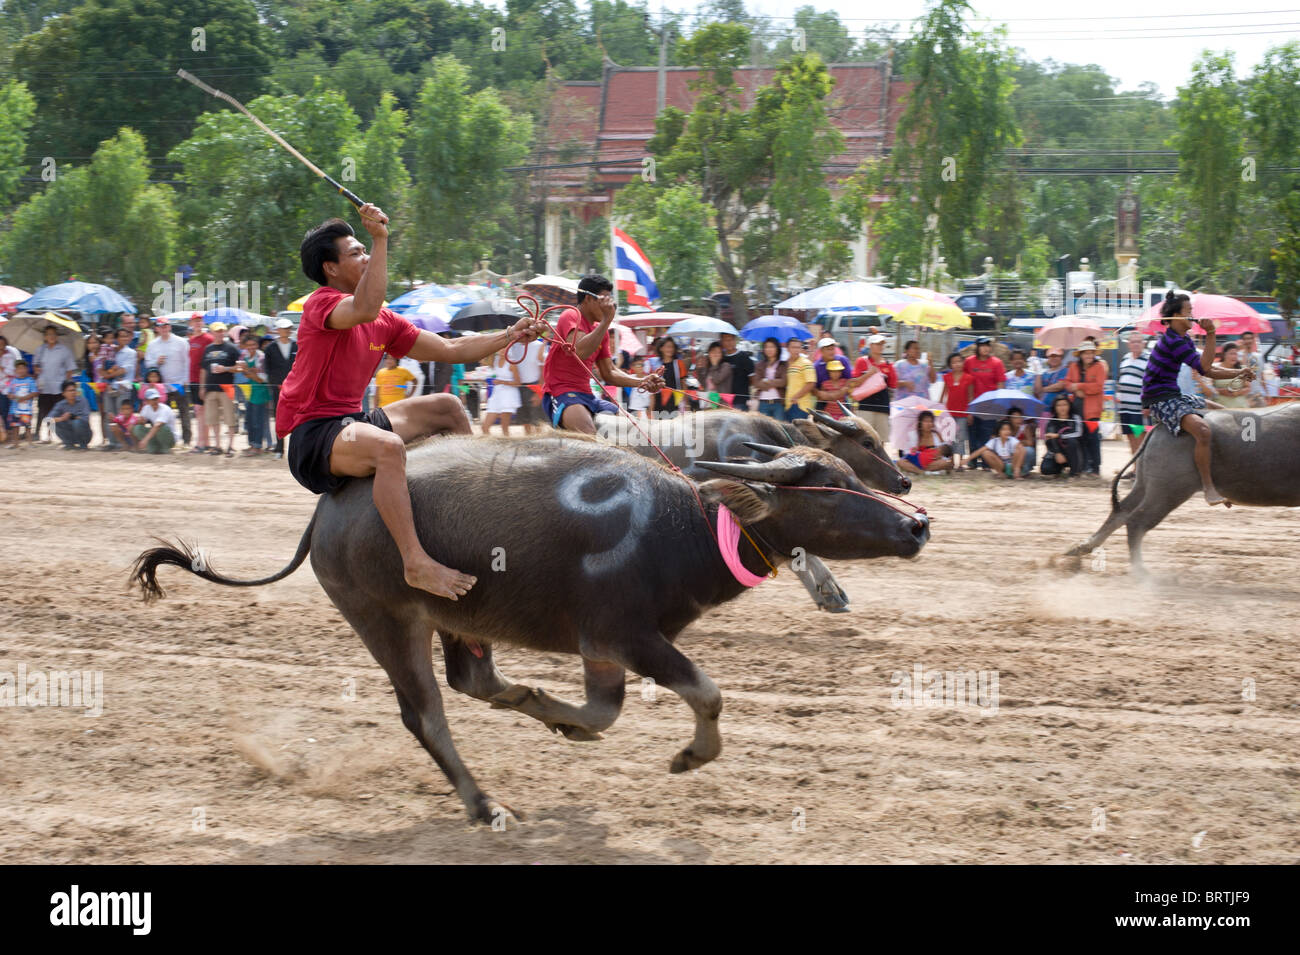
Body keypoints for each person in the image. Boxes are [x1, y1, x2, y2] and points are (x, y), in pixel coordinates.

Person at [279, 208, 544, 599]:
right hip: (314, 435)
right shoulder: (322, 304)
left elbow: (450, 348)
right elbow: (365, 307)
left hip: (352, 420)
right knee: (388, 448)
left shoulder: (384, 320)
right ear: (330, 268)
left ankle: (474, 511)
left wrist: (510, 334)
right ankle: (414, 562)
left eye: (363, 250)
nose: (365, 256)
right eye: (355, 253)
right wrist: (381, 238)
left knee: (449, 407)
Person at [1141, 289, 1253, 507]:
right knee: (1203, 430)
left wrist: (1238, 372)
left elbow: (1208, 371)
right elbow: (1204, 366)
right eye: (1188, 311)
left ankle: (1222, 479)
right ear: (1175, 316)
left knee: (1223, 412)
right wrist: (1211, 333)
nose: (1193, 314)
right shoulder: (1173, 341)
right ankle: (1208, 487)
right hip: (1158, 398)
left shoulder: (1183, 340)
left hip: (1173, 394)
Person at [541, 273, 663, 434]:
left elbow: (609, 372)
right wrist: (606, 321)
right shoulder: (570, 315)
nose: (609, 304)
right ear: (588, 299)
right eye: (604, 299)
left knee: (633, 431)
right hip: (561, 393)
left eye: (610, 300)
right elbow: (580, 351)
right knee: (589, 434)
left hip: (588, 396)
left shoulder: (601, 331)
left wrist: (641, 381)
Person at [145, 316, 192, 445]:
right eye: (161, 326)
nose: (164, 329)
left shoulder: (181, 342)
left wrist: (185, 380)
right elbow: (148, 364)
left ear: (170, 327)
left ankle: (187, 441)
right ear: (156, 329)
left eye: (166, 326)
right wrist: (156, 362)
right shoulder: (152, 344)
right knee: (163, 414)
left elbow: (187, 362)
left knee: (184, 413)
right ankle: (166, 440)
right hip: (161, 386)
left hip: (179, 383)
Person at [1065, 338, 1106, 475]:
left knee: (1093, 438)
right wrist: (1075, 390)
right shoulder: (1073, 367)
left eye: (1091, 352)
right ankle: (1083, 465)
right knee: (1080, 437)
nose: (1088, 355)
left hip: (1092, 409)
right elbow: (1068, 383)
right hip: (1077, 407)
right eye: (1085, 353)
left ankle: (1095, 467)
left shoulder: (1099, 366)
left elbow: (1098, 387)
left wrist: (1079, 386)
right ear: (1081, 354)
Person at [199, 322, 240, 456]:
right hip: (211, 387)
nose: (220, 333)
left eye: (222, 331)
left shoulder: (232, 348)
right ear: (212, 333)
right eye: (217, 331)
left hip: (227, 386)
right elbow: (204, 370)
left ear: (226, 332)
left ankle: (230, 446)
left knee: (230, 418)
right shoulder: (208, 349)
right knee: (212, 418)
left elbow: (239, 368)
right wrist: (202, 387)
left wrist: (226, 369)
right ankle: (217, 445)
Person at [34, 325, 78, 441]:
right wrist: (37, 369)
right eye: (48, 334)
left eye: (53, 334)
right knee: (42, 411)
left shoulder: (64, 350)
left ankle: (51, 434)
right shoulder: (40, 350)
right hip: (45, 386)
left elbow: (70, 369)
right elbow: (35, 365)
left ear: (57, 336)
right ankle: (37, 433)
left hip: (59, 387)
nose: (51, 336)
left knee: (55, 412)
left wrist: (66, 386)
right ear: (45, 336)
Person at [964, 337, 1006, 453]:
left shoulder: (997, 363)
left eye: (987, 345)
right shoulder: (969, 362)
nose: (985, 348)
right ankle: (973, 460)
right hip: (973, 403)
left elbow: (1000, 384)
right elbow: (966, 383)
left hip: (990, 405)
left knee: (987, 432)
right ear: (977, 348)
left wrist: (999, 405)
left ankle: (986, 461)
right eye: (982, 346)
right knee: (972, 432)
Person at [263, 317, 298, 458]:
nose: (286, 331)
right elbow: (267, 369)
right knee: (279, 418)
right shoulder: (270, 348)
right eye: (283, 328)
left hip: (295, 388)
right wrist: (276, 383)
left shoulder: (297, 345)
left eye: (288, 328)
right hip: (277, 388)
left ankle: (295, 449)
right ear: (278, 330)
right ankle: (279, 449)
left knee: (297, 418)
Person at [850, 333, 895, 438]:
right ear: (870, 345)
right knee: (864, 437)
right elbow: (854, 383)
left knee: (881, 439)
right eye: (877, 344)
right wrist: (869, 374)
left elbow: (892, 386)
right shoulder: (862, 361)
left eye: (882, 344)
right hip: (865, 406)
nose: (880, 346)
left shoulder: (888, 365)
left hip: (882, 407)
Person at [101, 327, 137, 448]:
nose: (124, 338)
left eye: (126, 336)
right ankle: (112, 442)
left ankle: (124, 443)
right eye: (121, 336)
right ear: (116, 338)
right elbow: (102, 365)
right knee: (109, 415)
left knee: (122, 417)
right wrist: (106, 374)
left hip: (123, 388)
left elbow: (123, 370)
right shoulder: (110, 350)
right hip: (109, 387)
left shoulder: (131, 353)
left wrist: (107, 375)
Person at [1115, 332, 1150, 455]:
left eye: (1138, 341)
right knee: (1130, 438)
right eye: (1133, 342)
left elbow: (1153, 383)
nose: (1136, 344)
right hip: (1125, 408)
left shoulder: (1149, 359)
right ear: (1128, 344)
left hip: (1139, 408)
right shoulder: (1125, 358)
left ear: (1143, 344)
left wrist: (1148, 405)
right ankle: (1135, 469)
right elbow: (1121, 378)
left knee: (1140, 439)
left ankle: (1141, 470)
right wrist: (1118, 394)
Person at [237, 332, 271, 453]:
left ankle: (257, 446)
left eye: (254, 344)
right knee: (250, 420)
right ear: (245, 346)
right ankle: (252, 444)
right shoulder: (243, 355)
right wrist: (251, 371)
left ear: (257, 345)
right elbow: (241, 371)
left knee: (258, 420)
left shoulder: (261, 357)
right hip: (250, 390)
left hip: (260, 391)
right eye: (248, 345)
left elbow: (261, 378)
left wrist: (248, 371)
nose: (251, 347)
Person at [940, 352, 974, 467]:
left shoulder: (969, 378)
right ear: (950, 365)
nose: (957, 364)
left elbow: (970, 397)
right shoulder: (947, 377)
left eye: (959, 361)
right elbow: (943, 395)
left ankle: (959, 463)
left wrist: (970, 413)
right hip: (949, 413)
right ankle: (951, 462)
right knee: (949, 437)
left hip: (963, 414)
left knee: (960, 437)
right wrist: (939, 409)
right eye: (954, 362)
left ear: (963, 363)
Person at [1041, 395, 1085, 478]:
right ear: (1055, 407)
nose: (1062, 408)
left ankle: (1074, 473)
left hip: (1074, 452)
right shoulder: (1051, 421)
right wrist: (1057, 453)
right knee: (1046, 469)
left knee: (1072, 441)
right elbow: (1049, 439)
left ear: (1069, 405)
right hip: (1058, 453)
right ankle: (1060, 469)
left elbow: (1078, 433)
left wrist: (1059, 435)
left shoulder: (1075, 418)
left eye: (1064, 404)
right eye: (1059, 405)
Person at [187, 313, 213, 453]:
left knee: (202, 412)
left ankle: (201, 443)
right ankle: (204, 441)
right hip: (193, 380)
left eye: (199, 321)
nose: (197, 323)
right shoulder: (191, 340)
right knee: (199, 412)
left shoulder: (208, 339)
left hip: (203, 380)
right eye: (195, 321)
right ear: (191, 323)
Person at [897, 409, 953, 475]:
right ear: (920, 423)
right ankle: (923, 472)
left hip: (932, 463)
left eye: (931, 422)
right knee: (900, 462)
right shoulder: (913, 435)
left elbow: (945, 451)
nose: (929, 424)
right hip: (917, 463)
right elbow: (906, 453)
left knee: (947, 462)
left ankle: (919, 471)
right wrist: (913, 451)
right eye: (926, 421)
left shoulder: (936, 435)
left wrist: (940, 456)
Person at [507, 335, 543, 434]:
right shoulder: (514, 347)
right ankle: (528, 440)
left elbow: (543, 370)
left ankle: (539, 442)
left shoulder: (538, 345)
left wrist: (538, 392)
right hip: (520, 387)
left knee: (537, 420)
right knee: (524, 420)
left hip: (535, 386)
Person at [480, 347, 521, 435]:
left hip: (509, 395)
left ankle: (507, 446)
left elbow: (518, 382)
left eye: (505, 348)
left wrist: (502, 382)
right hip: (497, 394)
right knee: (484, 427)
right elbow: (482, 360)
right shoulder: (495, 360)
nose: (502, 350)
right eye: (500, 348)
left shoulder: (512, 363)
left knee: (504, 428)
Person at [649, 336, 690, 416]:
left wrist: (686, 403)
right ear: (661, 348)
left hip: (675, 400)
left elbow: (683, 384)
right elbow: (653, 386)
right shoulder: (655, 364)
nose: (670, 349)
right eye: (667, 347)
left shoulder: (679, 364)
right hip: (659, 400)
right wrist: (651, 407)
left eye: (672, 347)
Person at [49, 380, 92, 450]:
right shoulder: (60, 404)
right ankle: (68, 444)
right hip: (69, 434)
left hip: (85, 435)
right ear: (63, 393)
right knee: (53, 423)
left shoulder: (83, 401)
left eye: (74, 390)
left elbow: (86, 419)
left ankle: (83, 445)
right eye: (69, 391)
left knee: (76, 422)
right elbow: (47, 419)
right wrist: (62, 418)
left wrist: (72, 416)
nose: (73, 392)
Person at [133, 387, 177, 454]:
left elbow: (157, 425)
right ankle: (153, 447)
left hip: (169, 437)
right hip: (157, 435)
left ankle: (165, 447)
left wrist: (145, 440)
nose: (155, 401)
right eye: (152, 399)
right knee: (137, 428)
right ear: (147, 401)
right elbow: (141, 422)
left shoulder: (165, 409)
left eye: (156, 398)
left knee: (162, 427)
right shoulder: (146, 408)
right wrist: (140, 421)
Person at [4, 359, 37, 448]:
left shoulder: (30, 380)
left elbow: (34, 392)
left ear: (26, 369)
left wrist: (24, 398)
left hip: (26, 410)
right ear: (15, 371)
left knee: (28, 426)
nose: (21, 370)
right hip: (15, 409)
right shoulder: (13, 381)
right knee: (15, 426)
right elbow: (9, 392)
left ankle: (30, 443)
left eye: (23, 368)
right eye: (18, 368)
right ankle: (16, 443)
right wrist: (11, 396)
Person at [751, 337, 786, 419]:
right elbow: (756, 383)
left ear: (777, 348)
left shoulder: (783, 365)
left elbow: (783, 382)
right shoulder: (759, 365)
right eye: (766, 347)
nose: (769, 349)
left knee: (778, 428)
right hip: (763, 402)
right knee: (763, 430)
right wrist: (775, 383)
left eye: (772, 346)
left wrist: (766, 381)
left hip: (778, 402)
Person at [783, 337, 817, 421]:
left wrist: (796, 397)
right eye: (793, 347)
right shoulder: (785, 363)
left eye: (798, 347)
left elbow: (811, 383)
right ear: (787, 349)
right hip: (787, 405)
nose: (796, 350)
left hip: (800, 405)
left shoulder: (805, 363)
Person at [719, 331, 753, 411]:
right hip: (723, 401)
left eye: (731, 340)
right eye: (726, 340)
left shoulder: (744, 357)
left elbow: (752, 379)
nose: (729, 342)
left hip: (741, 401)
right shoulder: (721, 358)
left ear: (735, 341)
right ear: (722, 342)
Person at [1211, 343, 1251, 409]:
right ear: (1224, 355)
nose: (1234, 356)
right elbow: (1209, 388)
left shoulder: (1242, 369)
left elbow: (1248, 388)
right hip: (1220, 408)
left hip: (1240, 407)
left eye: (1236, 354)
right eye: (1231, 353)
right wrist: (1220, 391)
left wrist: (1237, 393)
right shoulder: (1214, 368)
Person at [1237, 330, 1268, 408]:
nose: (1248, 341)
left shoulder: (1259, 356)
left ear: (1253, 340)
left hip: (1257, 394)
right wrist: (1244, 351)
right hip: (1243, 395)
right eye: (1246, 339)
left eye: (1250, 338)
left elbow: (1261, 375)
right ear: (1242, 341)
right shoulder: (1238, 356)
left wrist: (1267, 392)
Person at [1006, 405, 1037, 475]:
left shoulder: (1025, 427)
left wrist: (1016, 443)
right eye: (1015, 417)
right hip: (1009, 455)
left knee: (1029, 450)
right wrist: (1022, 442)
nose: (1018, 419)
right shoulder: (1006, 428)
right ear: (1009, 419)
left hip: (1022, 453)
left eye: (1020, 417)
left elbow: (1030, 443)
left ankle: (1024, 469)